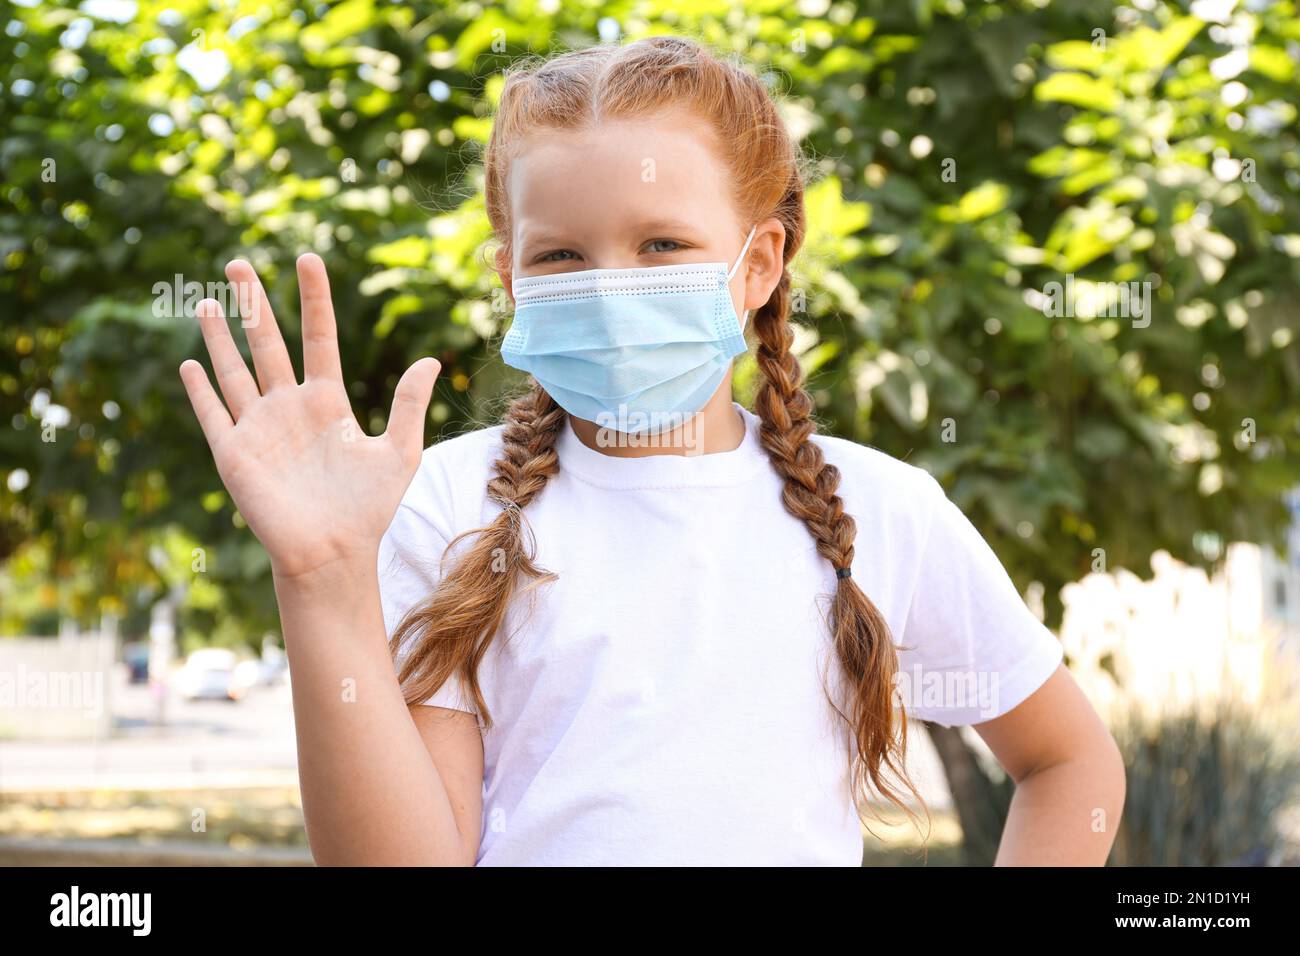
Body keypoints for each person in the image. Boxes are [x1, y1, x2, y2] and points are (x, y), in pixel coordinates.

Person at [179, 36, 1124, 866]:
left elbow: (1070, 761)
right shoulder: (437, 504)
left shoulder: (885, 508)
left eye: (663, 243)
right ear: (511, 277)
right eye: (560, 257)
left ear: (757, 265)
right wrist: (321, 578)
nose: (608, 286)